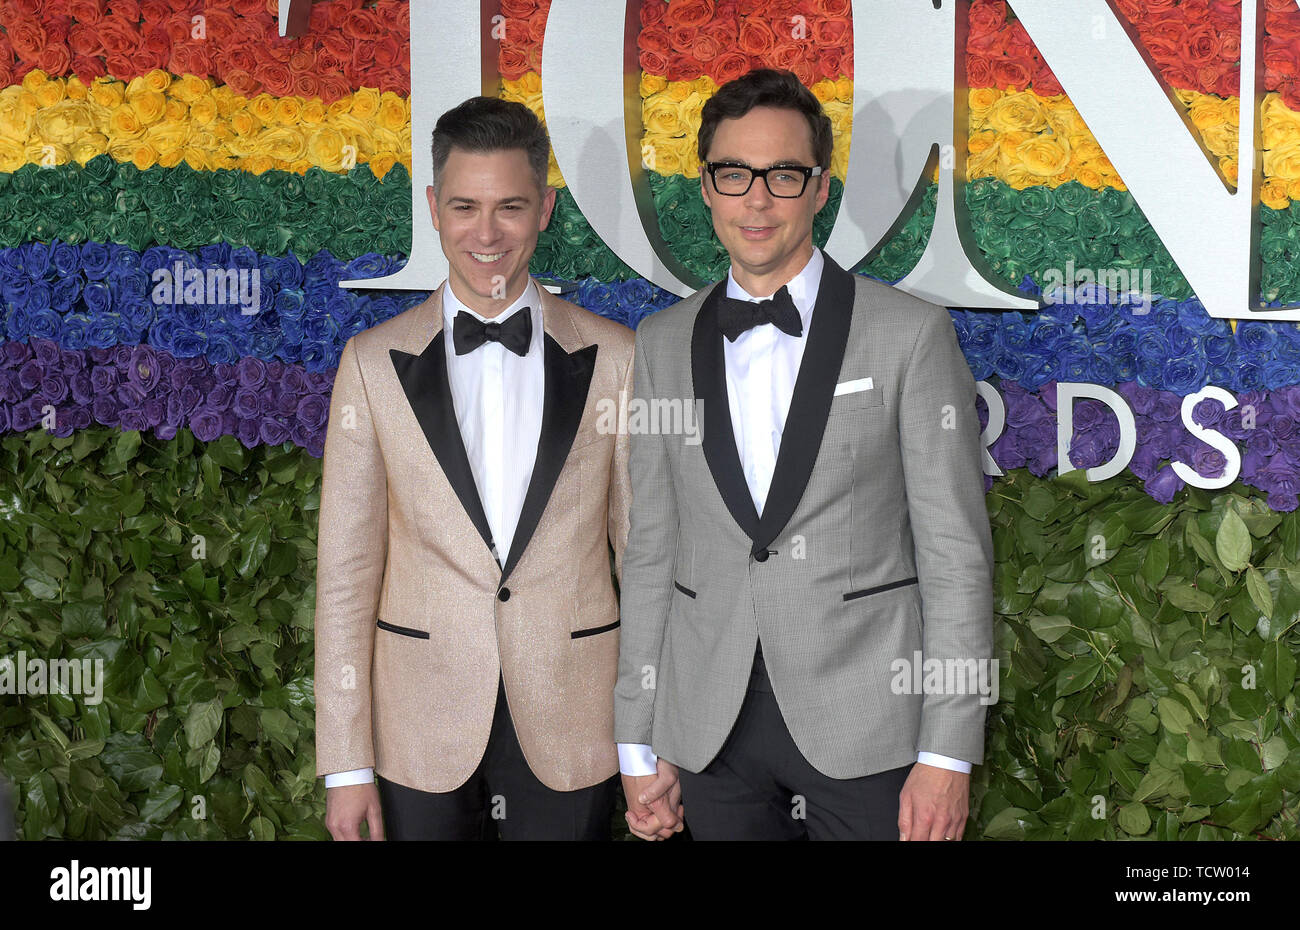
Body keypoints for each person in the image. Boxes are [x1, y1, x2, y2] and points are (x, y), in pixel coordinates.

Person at [615, 68, 995, 841]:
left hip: (870, 724)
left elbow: (956, 555)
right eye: (734, 174)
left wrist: (948, 755)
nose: (757, 200)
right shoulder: (659, 343)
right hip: (708, 728)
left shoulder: (909, 335)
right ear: (707, 189)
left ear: (821, 188)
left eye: (783, 175)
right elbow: (651, 549)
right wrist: (637, 736)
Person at [315, 96, 650, 840]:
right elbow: (344, 577)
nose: (486, 232)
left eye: (511, 207)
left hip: (575, 719)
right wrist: (345, 766)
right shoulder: (370, 365)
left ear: (545, 210)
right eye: (465, 206)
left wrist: (648, 741)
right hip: (417, 729)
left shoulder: (618, 359)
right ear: (433, 208)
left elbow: (647, 560)